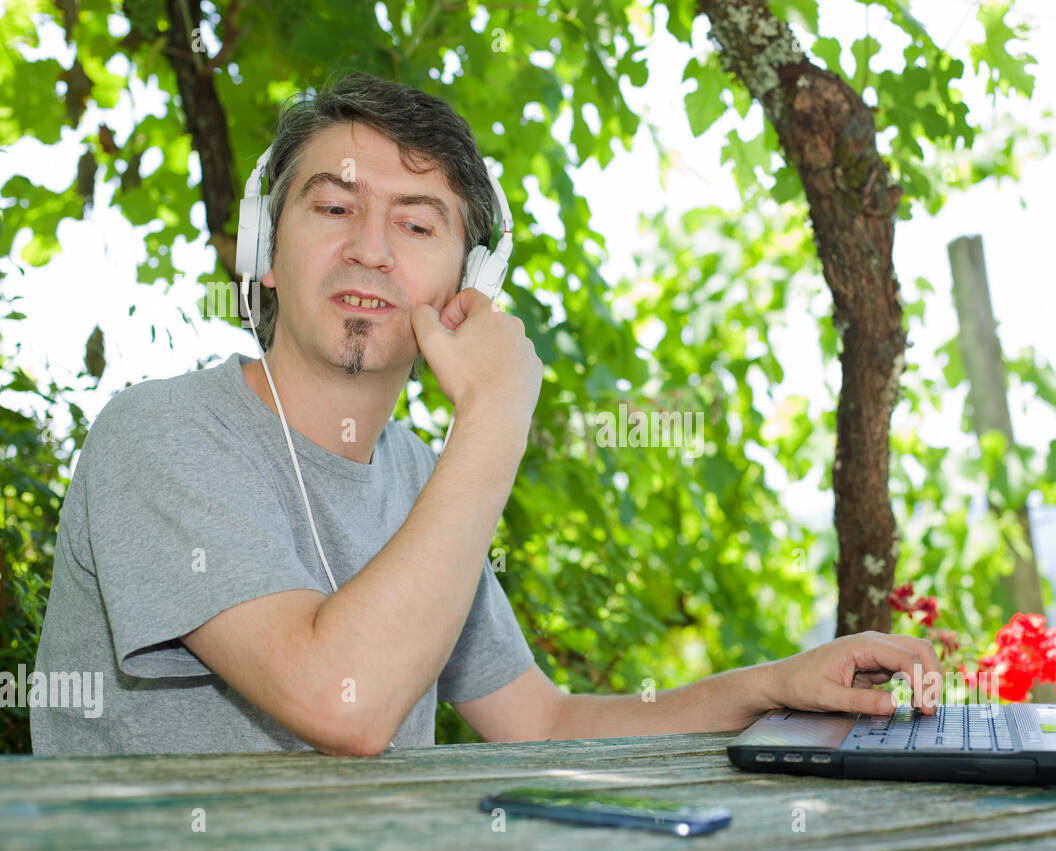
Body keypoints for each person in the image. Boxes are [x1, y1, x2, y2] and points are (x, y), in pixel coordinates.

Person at [30, 72, 940, 757]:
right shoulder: (158, 435)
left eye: (418, 225)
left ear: (469, 284)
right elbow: (341, 699)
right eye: (335, 207)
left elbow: (542, 721)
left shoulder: (423, 477)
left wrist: (770, 685)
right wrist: (498, 409)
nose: (371, 250)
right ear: (266, 251)